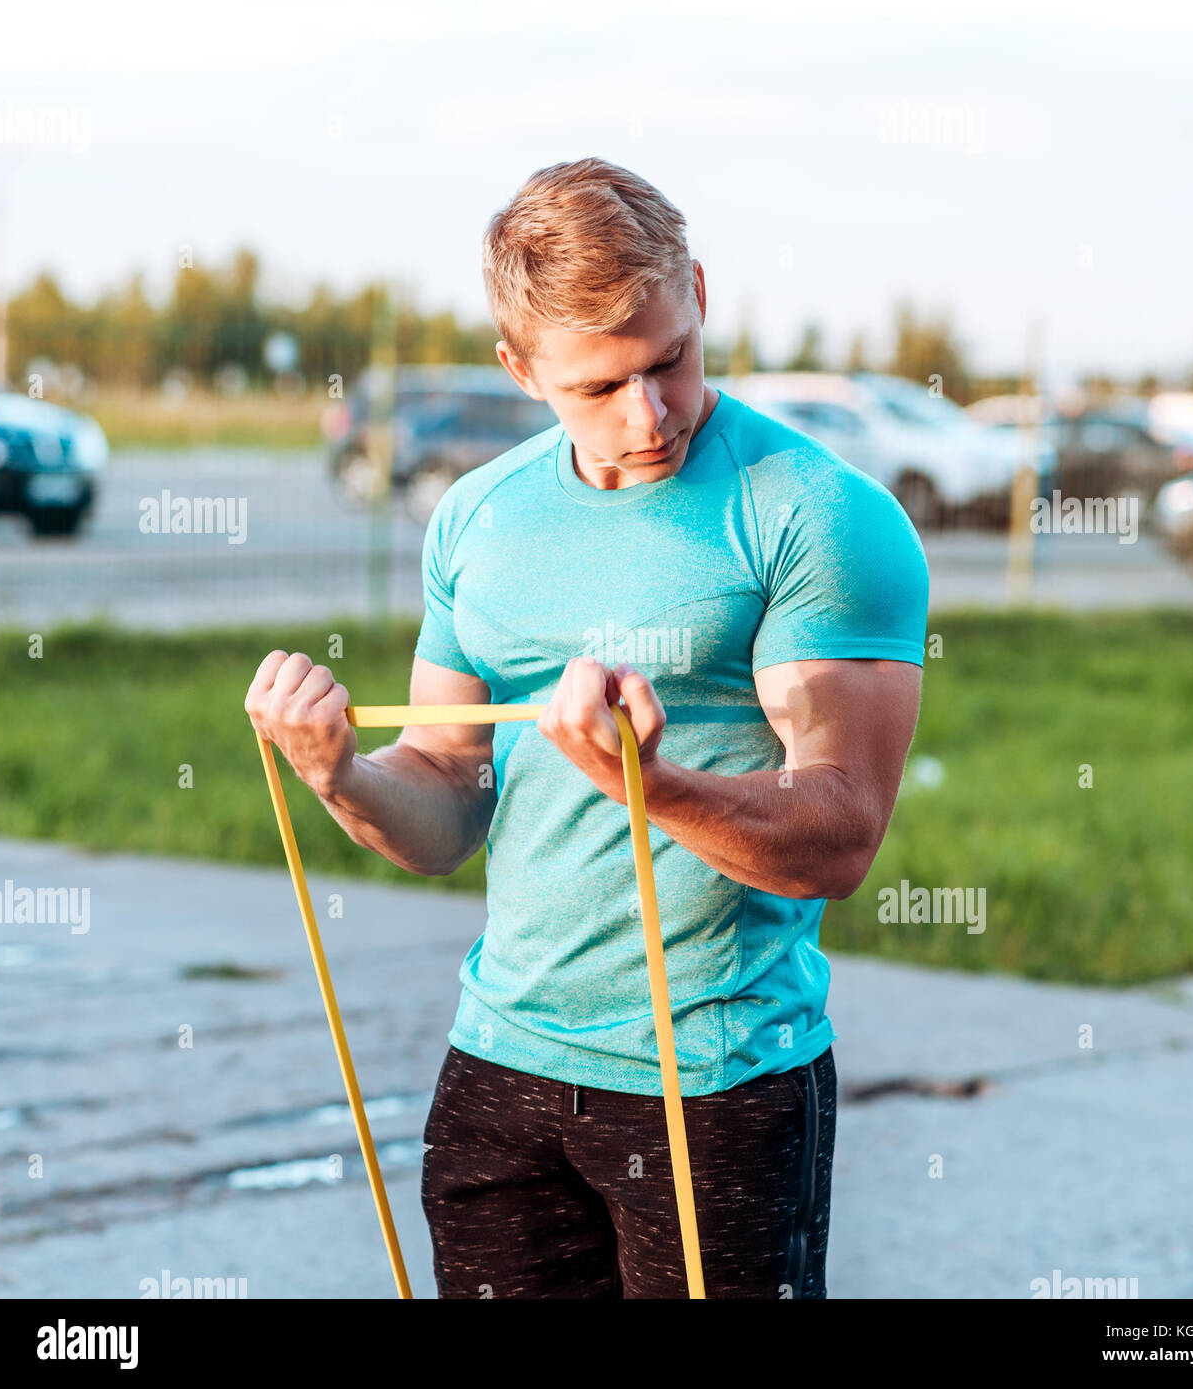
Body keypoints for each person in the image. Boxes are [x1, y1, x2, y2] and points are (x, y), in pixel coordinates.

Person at [244, 157, 928, 1299]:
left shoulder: (820, 516)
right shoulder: (476, 517)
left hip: (709, 1081)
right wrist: (340, 775)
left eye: (667, 362)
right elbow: (446, 803)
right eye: (598, 387)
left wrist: (650, 783)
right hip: (500, 1074)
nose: (648, 413)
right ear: (520, 369)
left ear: (698, 291)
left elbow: (841, 834)